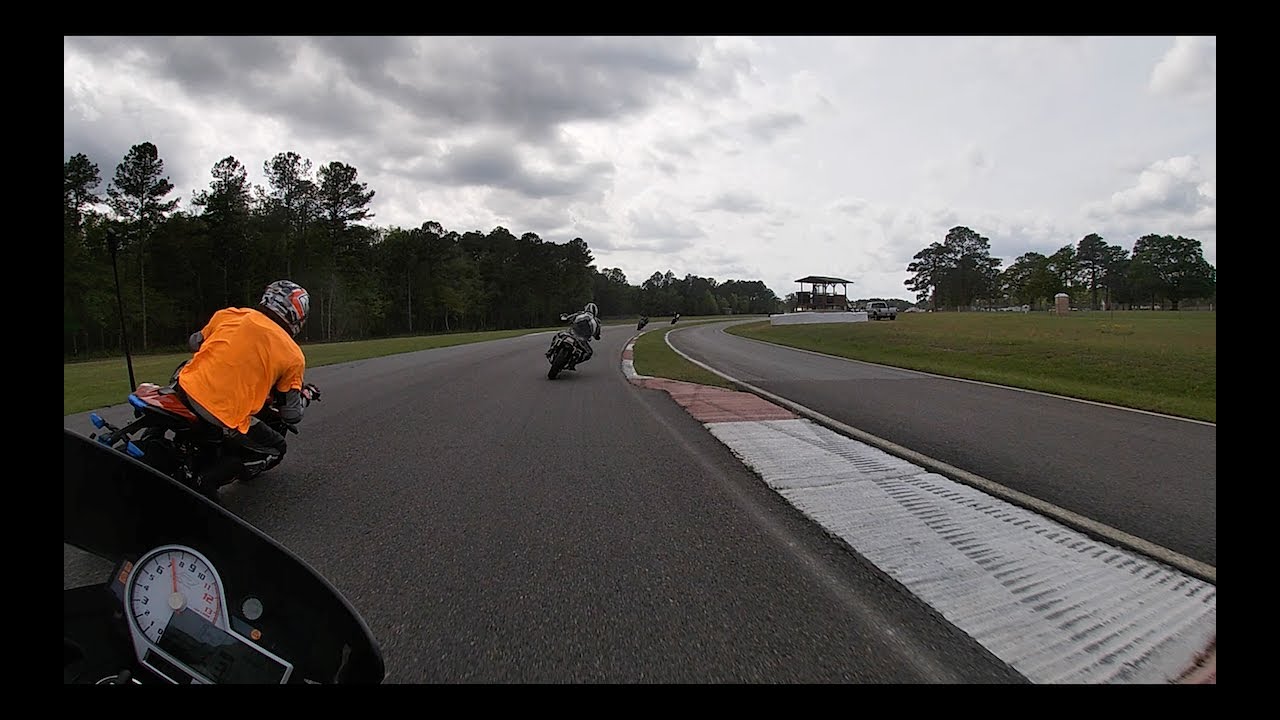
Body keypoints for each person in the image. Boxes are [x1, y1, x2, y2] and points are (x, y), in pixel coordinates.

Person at [174, 279, 320, 495]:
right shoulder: (293, 355)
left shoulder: (231, 314)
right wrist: (306, 395)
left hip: (182, 390)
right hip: (222, 415)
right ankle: (204, 482)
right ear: (297, 314)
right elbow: (291, 414)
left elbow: (195, 342)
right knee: (277, 447)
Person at [557, 301, 602, 370]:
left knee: (559, 334)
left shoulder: (579, 313)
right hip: (581, 340)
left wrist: (563, 317)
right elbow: (597, 336)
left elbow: (566, 319)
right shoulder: (597, 322)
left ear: (586, 308)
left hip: (571, 334)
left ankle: (552, 351)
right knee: (589, 353)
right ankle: (573, 363)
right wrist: (597, 336)